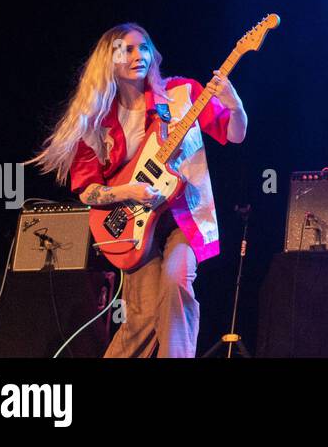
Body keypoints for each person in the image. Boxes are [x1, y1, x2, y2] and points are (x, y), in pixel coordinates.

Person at [29, 23, 247, 357]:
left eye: (143, 47)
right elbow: (87, 191)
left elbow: (234, 134)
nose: (138, 56)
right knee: (141, 318)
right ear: (109, 61)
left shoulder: (181, 94)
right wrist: (128, 192)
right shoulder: (96, 120)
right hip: (131, 222)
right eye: (127, 49)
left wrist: (235, 106)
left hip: (182, 215)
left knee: (177, 282)